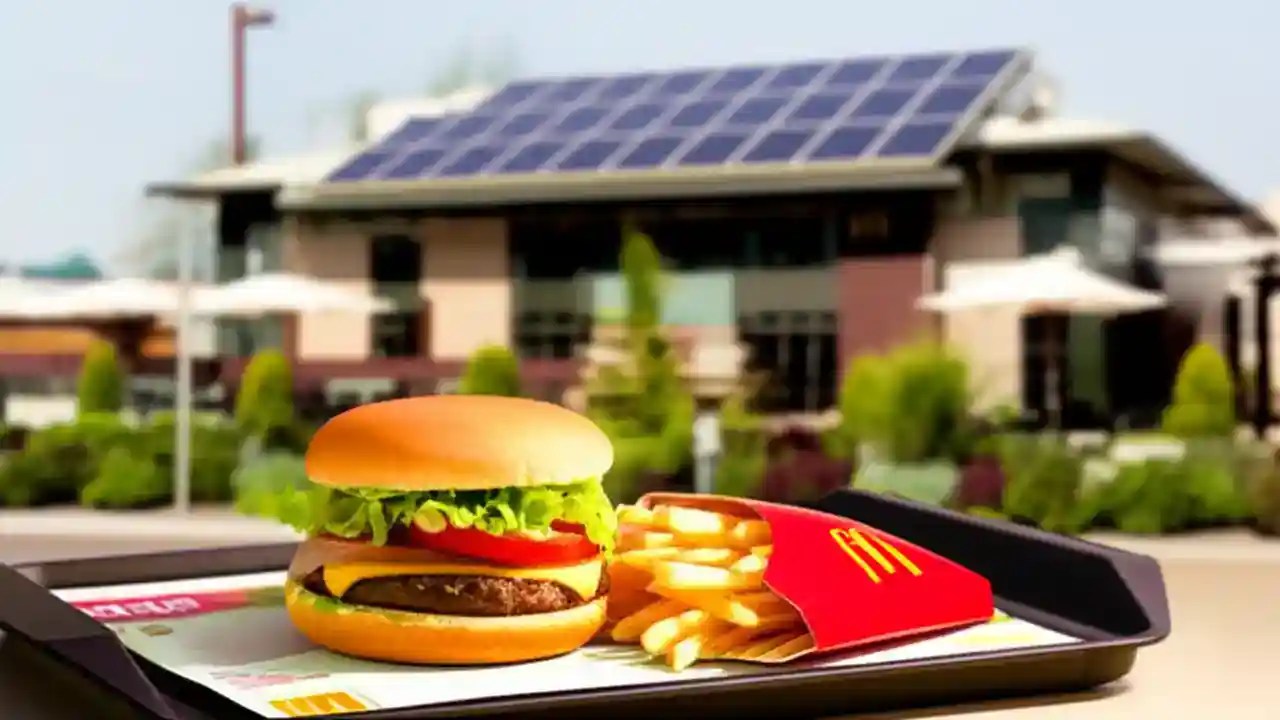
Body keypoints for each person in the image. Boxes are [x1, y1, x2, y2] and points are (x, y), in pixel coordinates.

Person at [691, 397, 722, 494]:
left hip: (706, 452)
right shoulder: (710, 420)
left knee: (707, 477)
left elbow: (698, 437)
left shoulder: (704, 420)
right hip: (707, 452)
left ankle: (706, 494)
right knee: (706, 477)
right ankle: (705, 494)